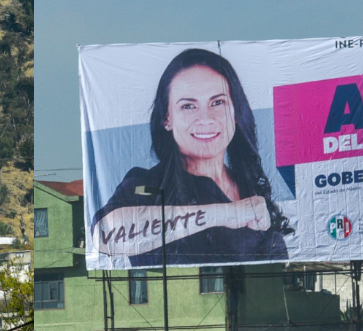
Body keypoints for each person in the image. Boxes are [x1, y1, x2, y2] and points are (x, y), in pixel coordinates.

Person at [92, 48, 291, 266]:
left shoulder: (251, 187)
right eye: (188, 106)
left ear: (235, 112)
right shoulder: (148, 185)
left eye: (217, 102)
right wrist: (225, 214)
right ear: (167, 118)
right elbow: (104, 236)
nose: (205, 118)